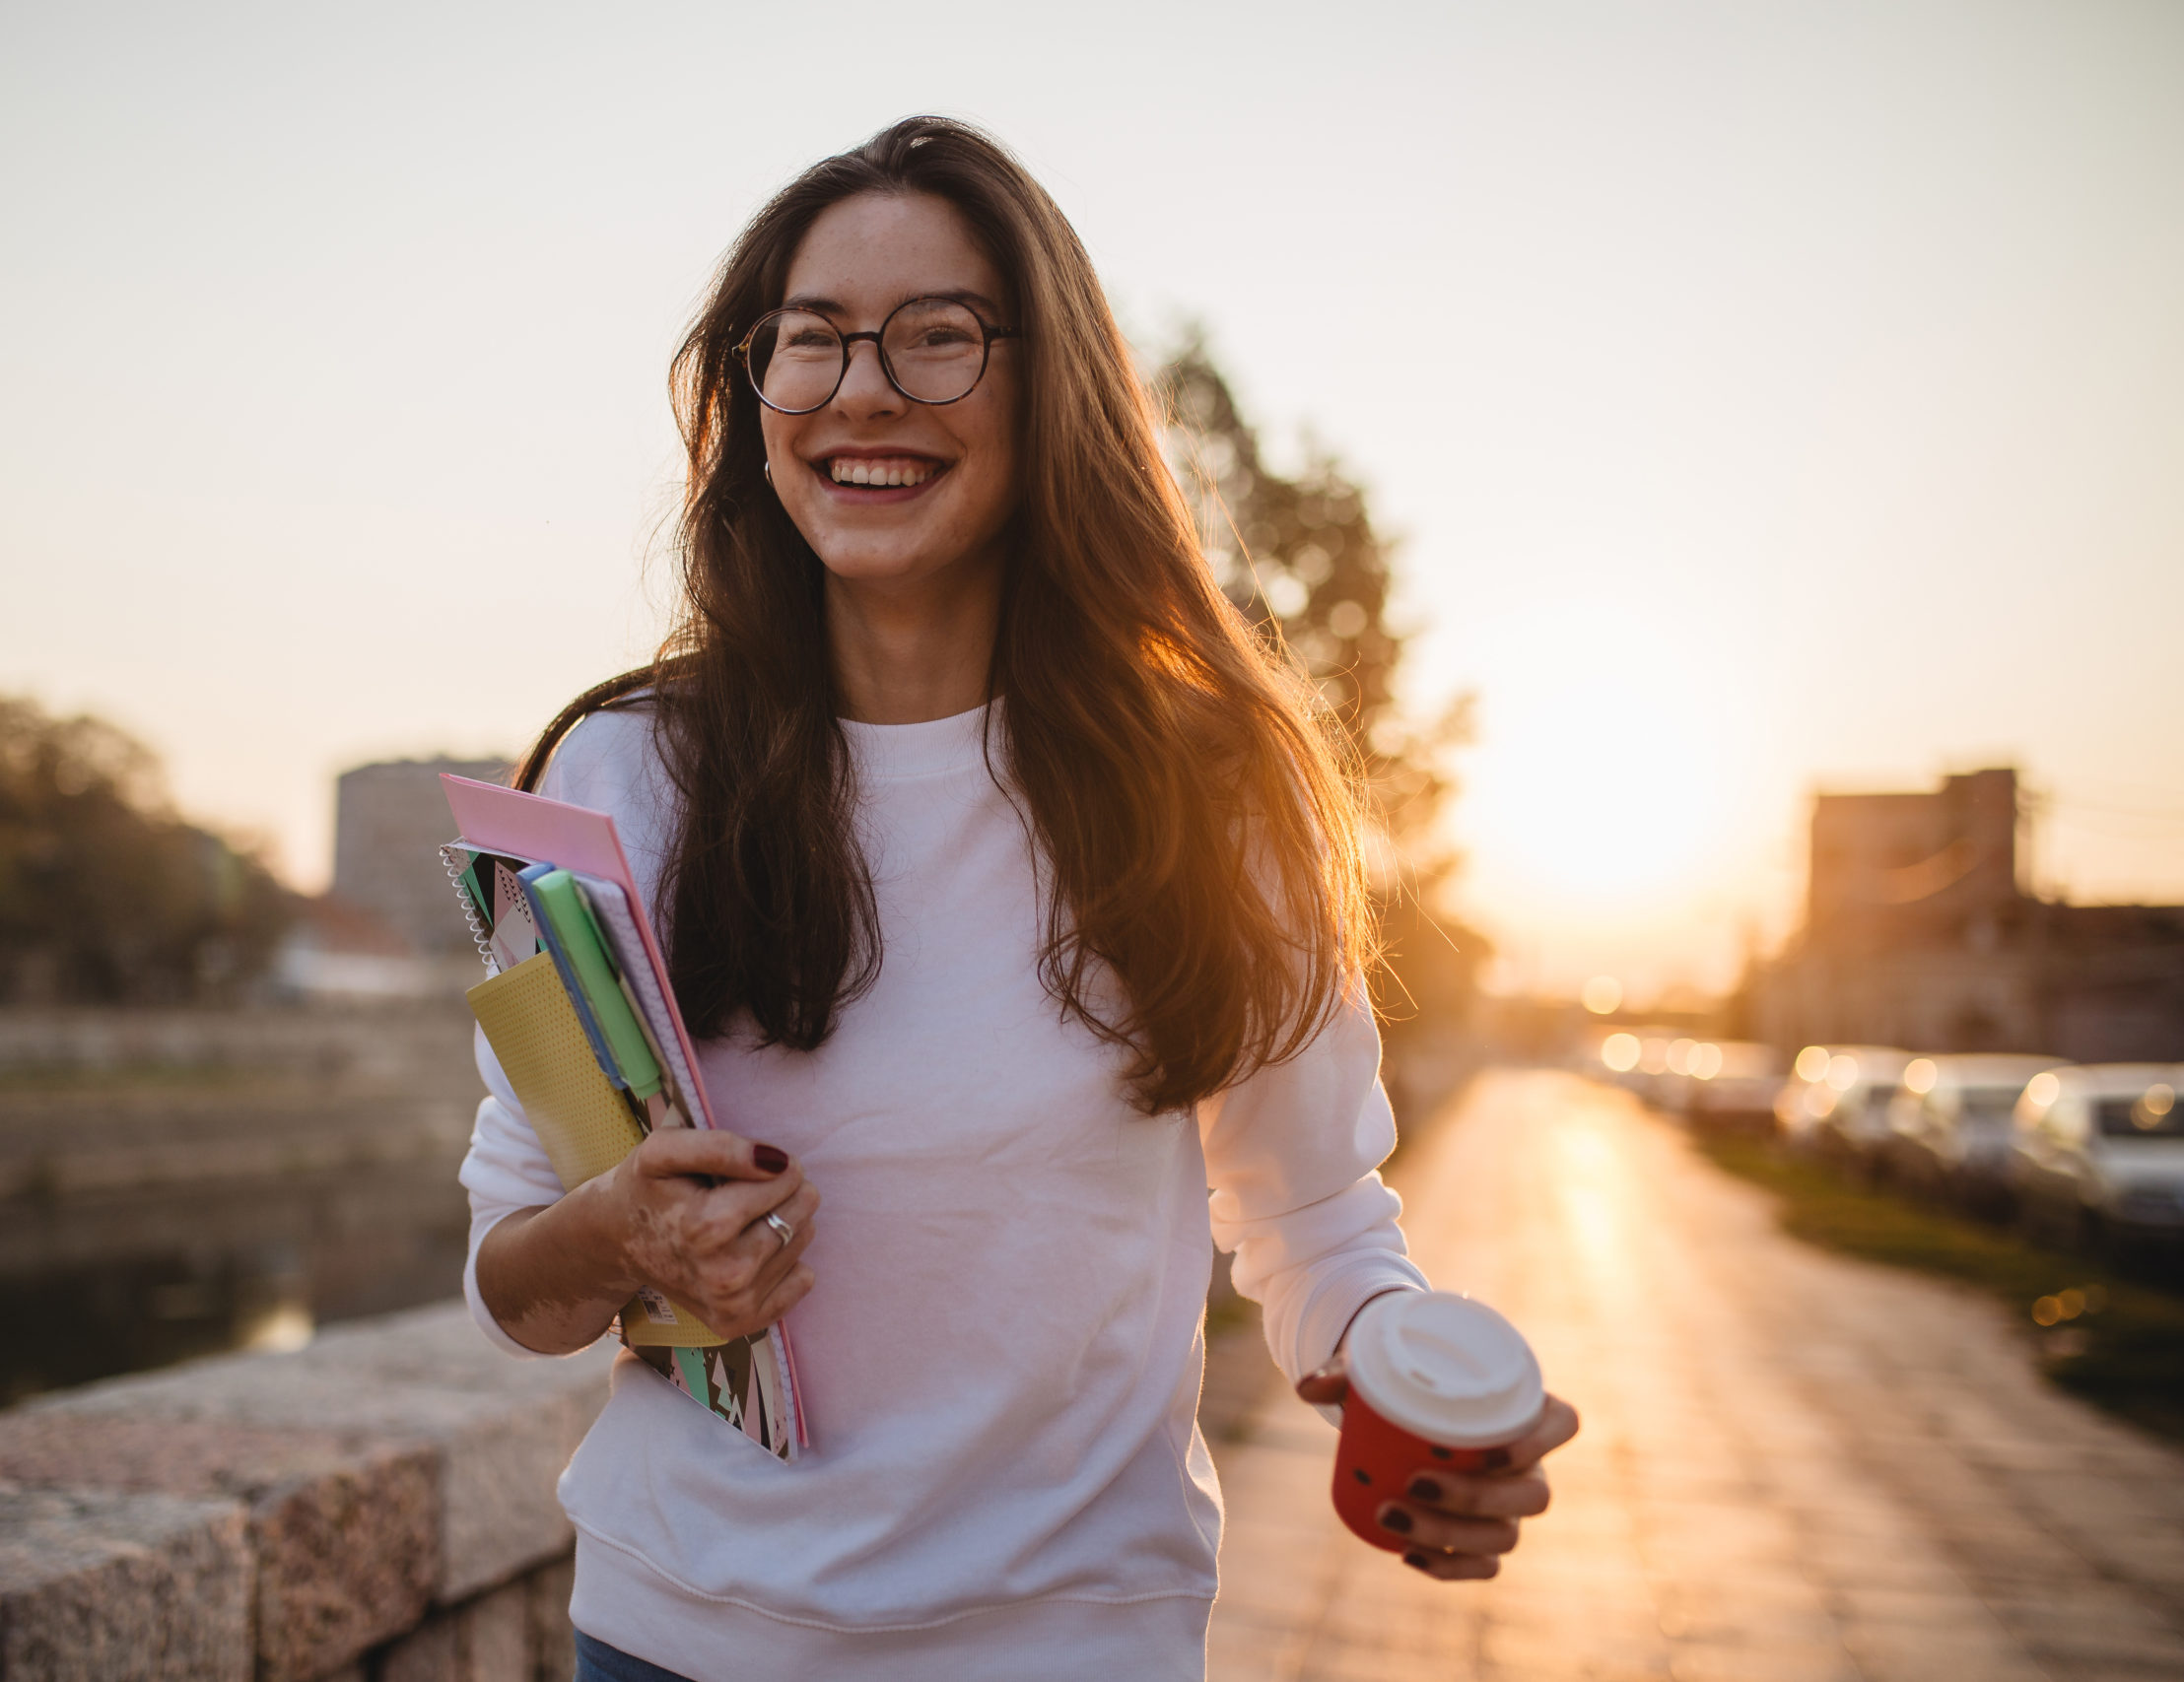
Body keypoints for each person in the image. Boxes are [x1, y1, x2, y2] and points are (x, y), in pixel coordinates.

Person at [459, 115, 1578, 1682]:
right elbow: (516, 1270)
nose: (863, 390)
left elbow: (1316, 1215)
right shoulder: (621, 773)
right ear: (752, 392)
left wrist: (1413, 1382)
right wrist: (614, 1238)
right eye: (812, 343)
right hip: (669, 1643)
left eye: (937, 339)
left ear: (1053, 388)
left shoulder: (1215, 781)